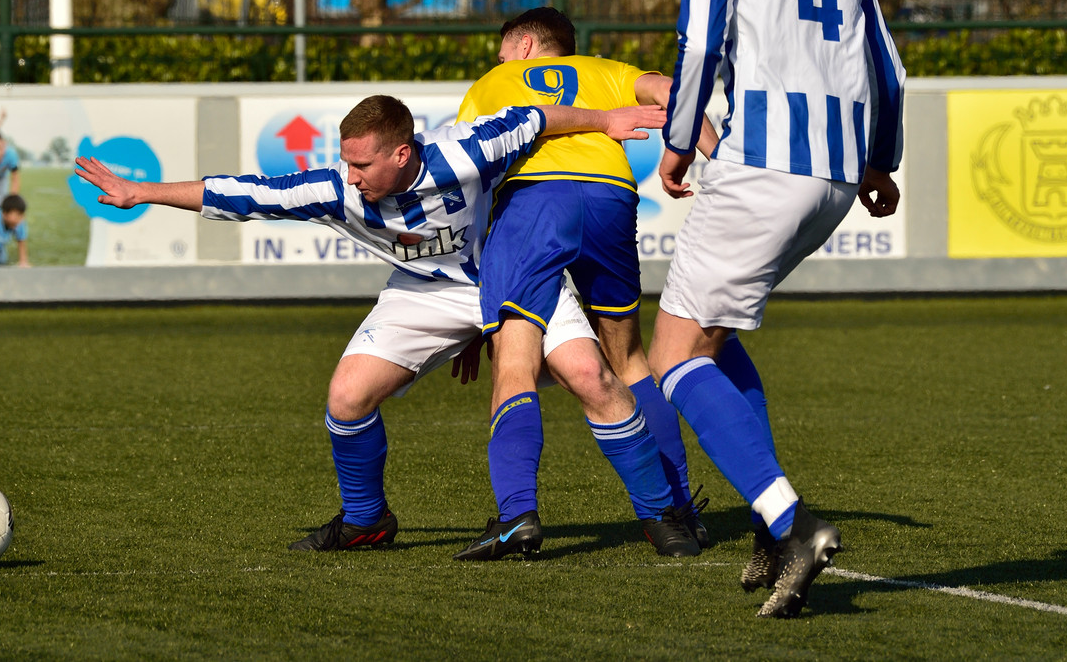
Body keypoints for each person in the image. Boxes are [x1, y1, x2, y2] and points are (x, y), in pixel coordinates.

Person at [77, 95, 685, 559]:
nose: (351, 176)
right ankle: (366, 519)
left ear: (403, 153)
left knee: (591, 377)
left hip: (509, 272)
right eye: (346, 162)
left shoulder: (463, 152)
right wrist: (140, 192)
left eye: (362, 163)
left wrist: (606, 119)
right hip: (422, 296)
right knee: (346, 395)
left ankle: (663, 513)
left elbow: (537, 117)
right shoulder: (336, 190)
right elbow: (241, 192)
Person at [645, 0, 906, 618]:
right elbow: (888, 65)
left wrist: (679, 138)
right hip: (830, 175)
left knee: (675, 356)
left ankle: (791, 524)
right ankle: (767, 521)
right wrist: (877, 163)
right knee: (713, 335)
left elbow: (698, 37)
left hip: (762, 161)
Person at [456, 6, 718, 557]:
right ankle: (679, 515)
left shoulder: (491, 84)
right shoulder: (608, 70)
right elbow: (675, 92)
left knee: (514, 364)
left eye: (504, 48)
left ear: (525, 45)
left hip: (534, 200)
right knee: (629, 360)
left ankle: (516, 516)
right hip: (610, 196)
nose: (499, 59)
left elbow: (468, 171)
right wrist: (696, 153)